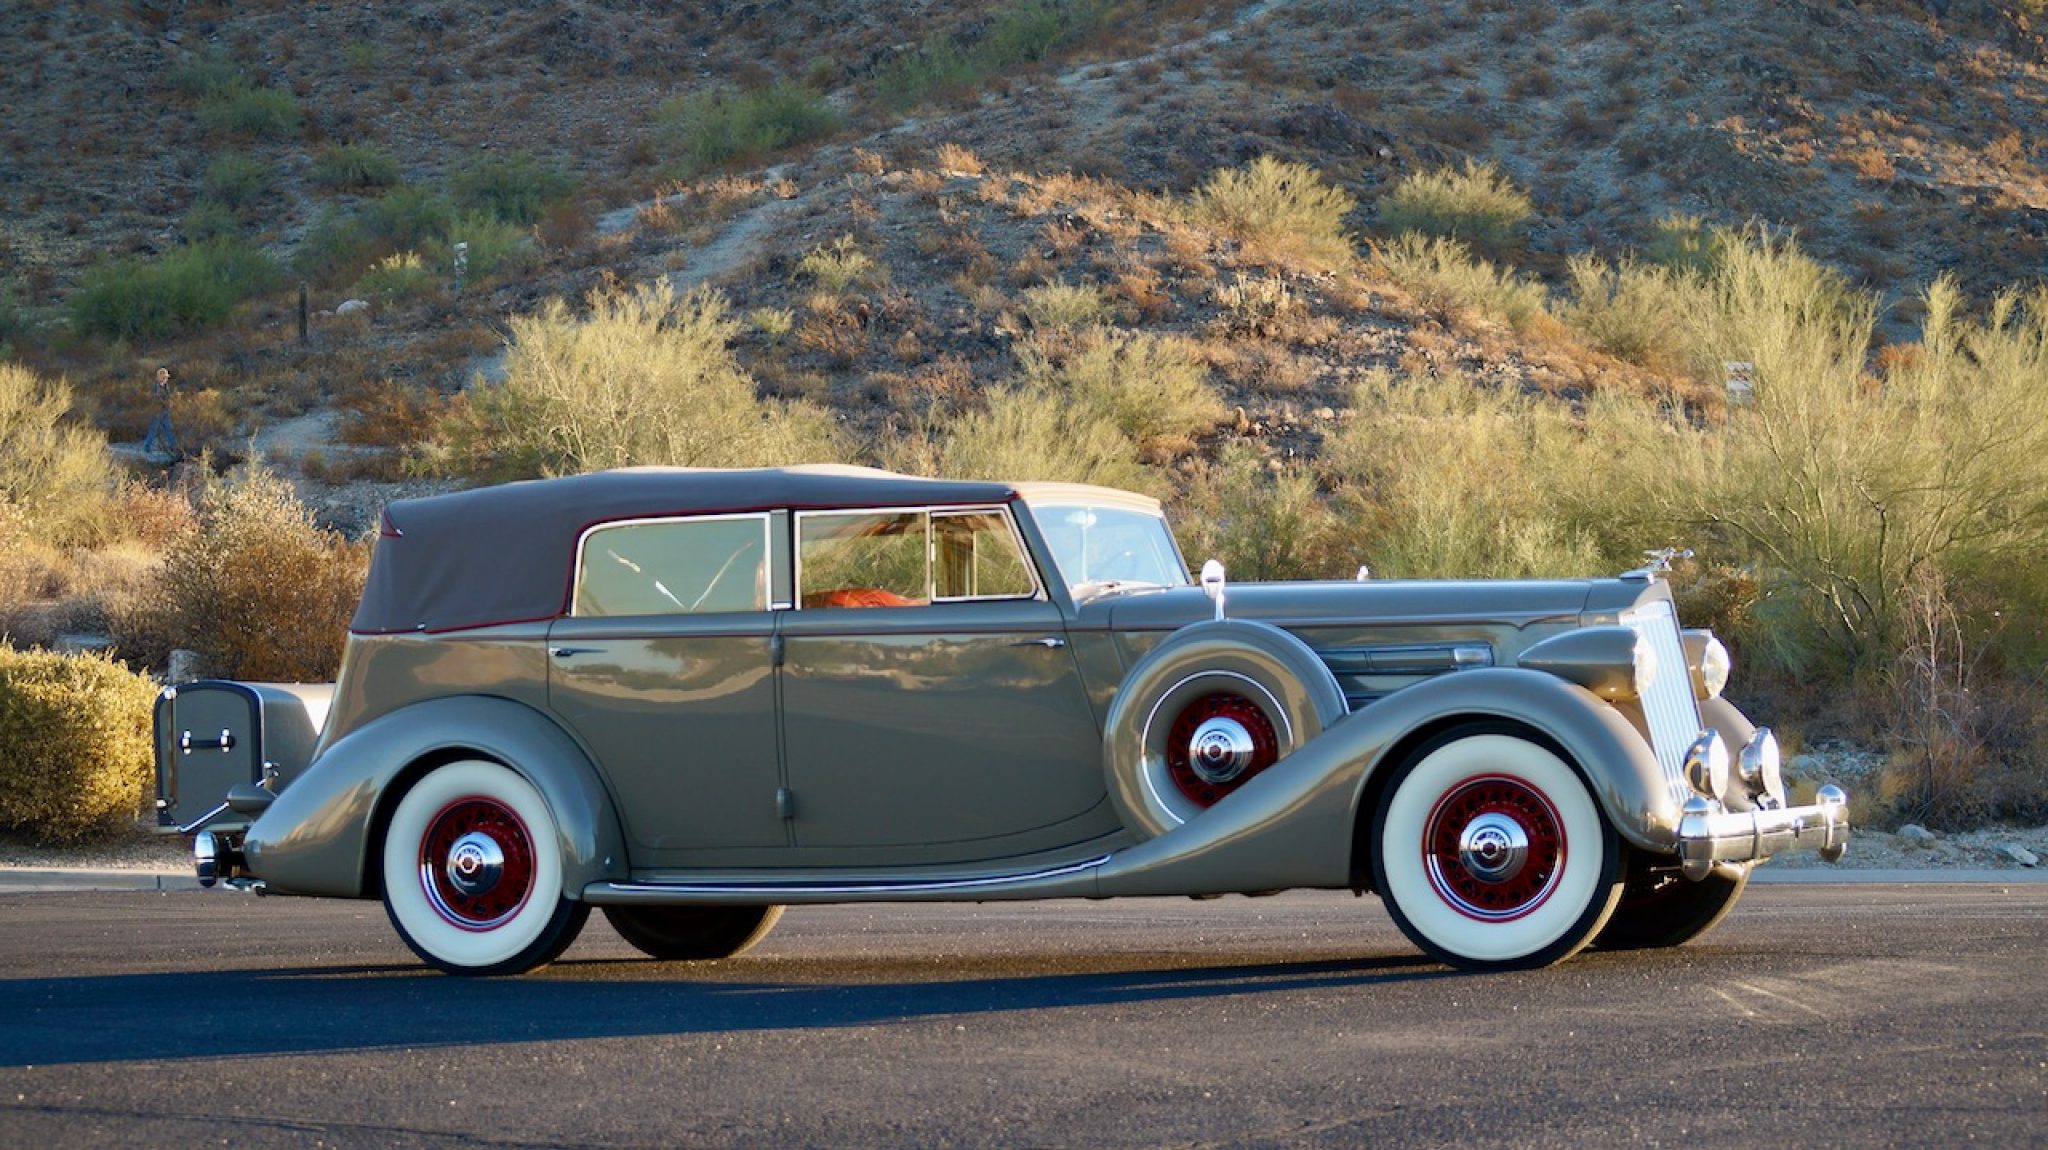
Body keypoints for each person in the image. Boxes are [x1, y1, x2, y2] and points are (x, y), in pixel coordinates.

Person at [142, 366, 179, 458]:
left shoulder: (166, 386)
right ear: (160, 377)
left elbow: (168, 397)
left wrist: (169, 404)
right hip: (157, 412)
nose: (166, 379)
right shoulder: (154, 387)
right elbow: (153, 399)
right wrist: (163, 402)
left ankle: (173, 446)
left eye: (166, 377)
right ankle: (146, 447)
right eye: (164, 377)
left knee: (169, 428)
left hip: (165, 411)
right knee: (153, 429)